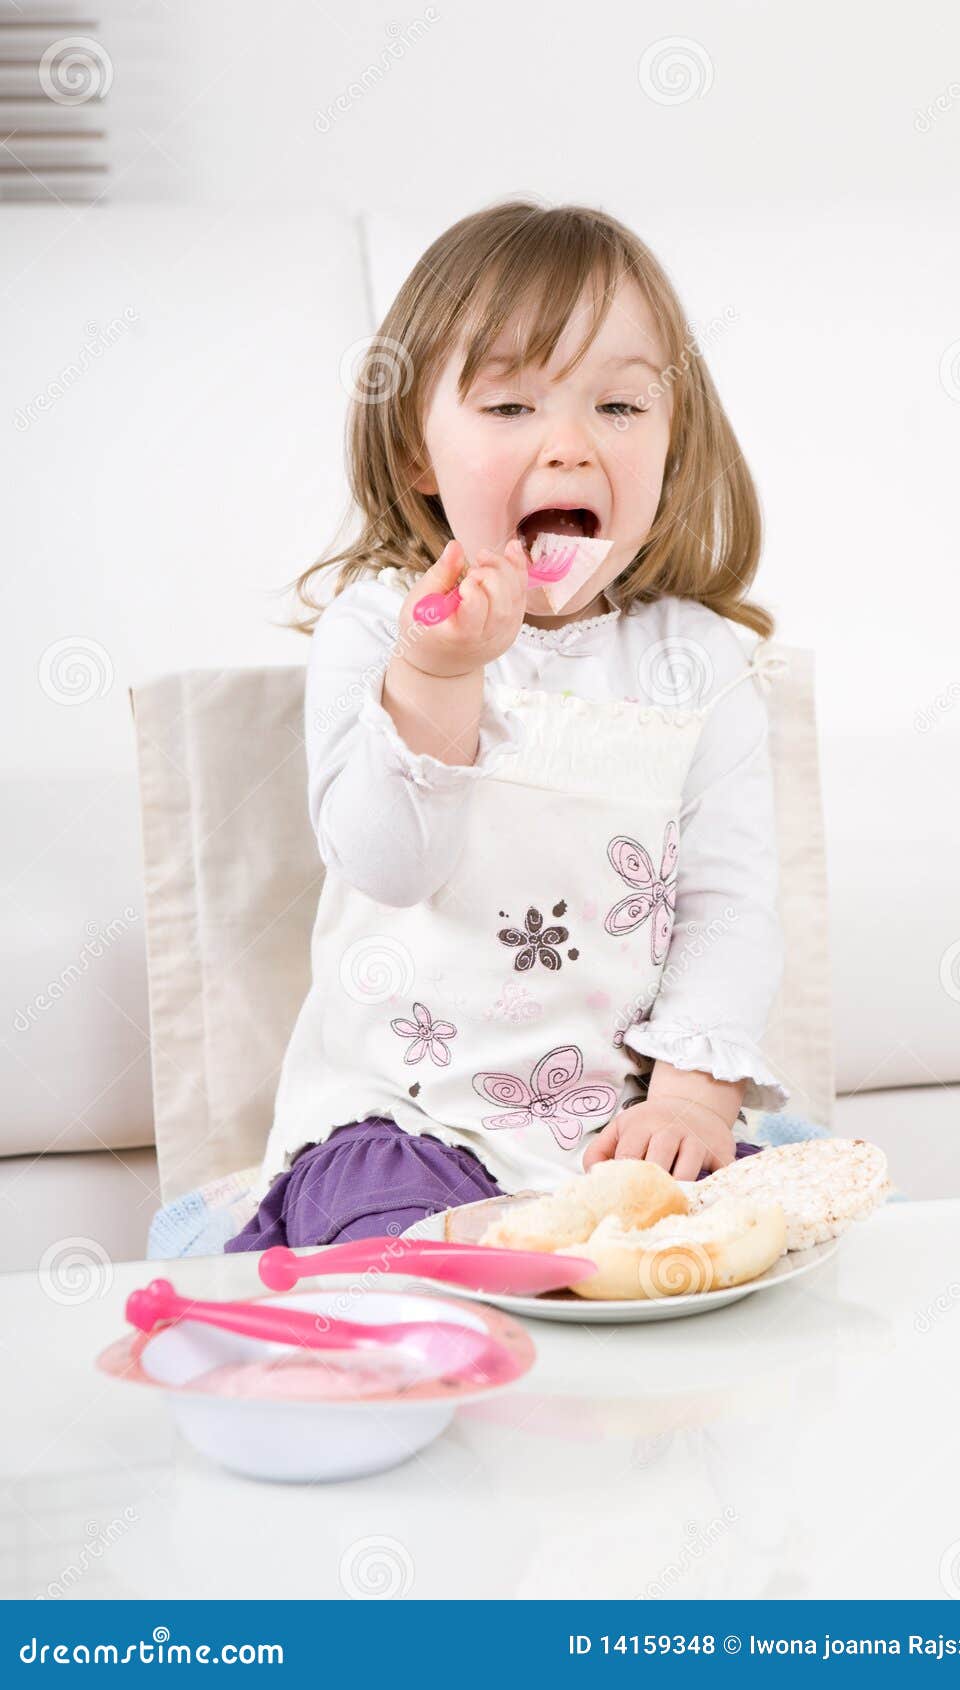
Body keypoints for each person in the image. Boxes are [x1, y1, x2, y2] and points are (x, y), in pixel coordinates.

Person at [226, 198, 788, 1253]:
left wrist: (691, 1102)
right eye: (511, 406)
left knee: (768, 1243)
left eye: (619, 408)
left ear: (672, 449)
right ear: (416, 459)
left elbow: (730, 907)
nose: (570, 447)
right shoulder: (378, 629)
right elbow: (387, 863)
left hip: (614, 1127)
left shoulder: (698, 663)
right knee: (399, 1253)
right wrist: (436, 676)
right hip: (405, 1117)